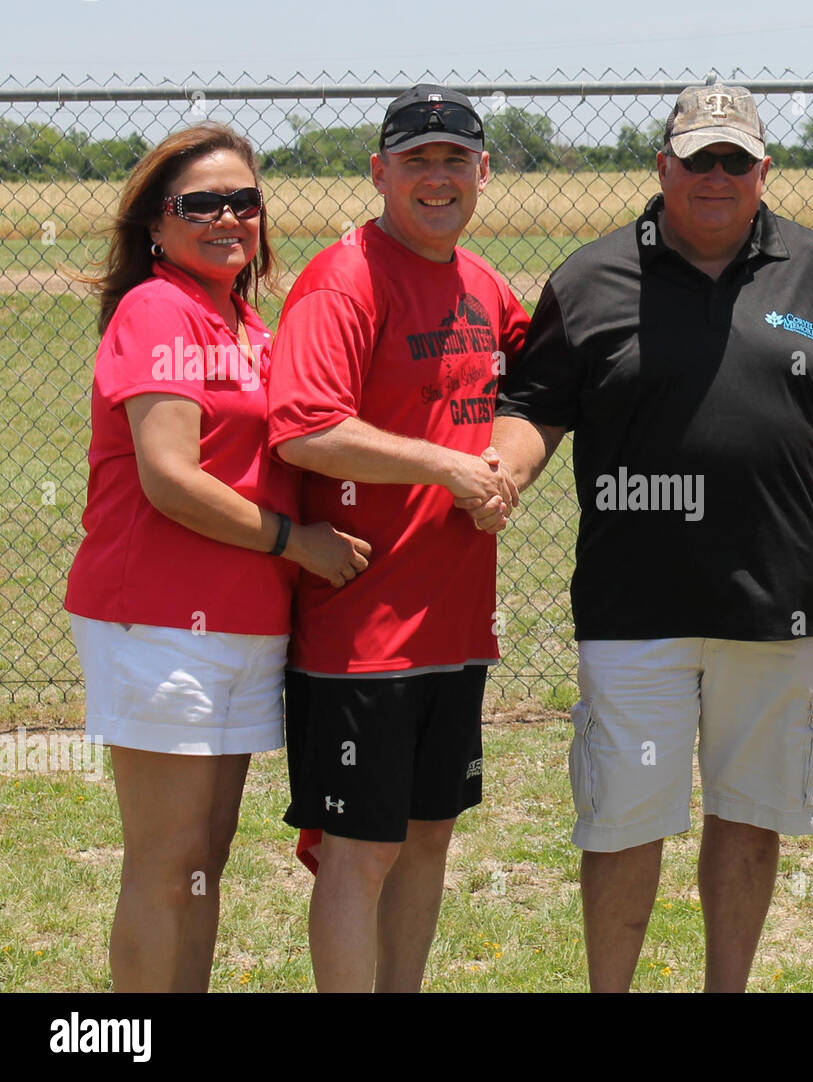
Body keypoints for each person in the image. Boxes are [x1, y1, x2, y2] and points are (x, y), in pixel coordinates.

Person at [466, 82, 813, 992]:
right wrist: (501, 469)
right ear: (663, 165)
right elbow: (534, 405)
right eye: (698, 158)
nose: (716, 176)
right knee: (625, 820)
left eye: (734, 161)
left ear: (763, 171)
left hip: (781, 600)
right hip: (637, 608)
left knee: (751, 816)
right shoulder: (590, 279)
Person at [63, 122, 369, 992]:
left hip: (243, 624)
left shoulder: (243, 321)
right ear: (157, 226)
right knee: (168, 862)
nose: (229, 216)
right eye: (202, 203)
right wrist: (293, 542)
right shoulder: (157, 308)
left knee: (206, 859)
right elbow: (168, 478)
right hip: (160, 621)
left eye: (246, 201)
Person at [266, 85, 529, 993]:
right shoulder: (344, 278)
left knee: (426, 842)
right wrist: (449, 469)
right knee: (361, 853)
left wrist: (505, 472)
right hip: (362, 631)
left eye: (455, 158)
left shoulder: (485, 284)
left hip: (453, 623)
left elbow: (536, 398)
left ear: (484, 172)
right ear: (379, 172)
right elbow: (302, 427)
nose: (437, 177)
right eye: (415, 160)